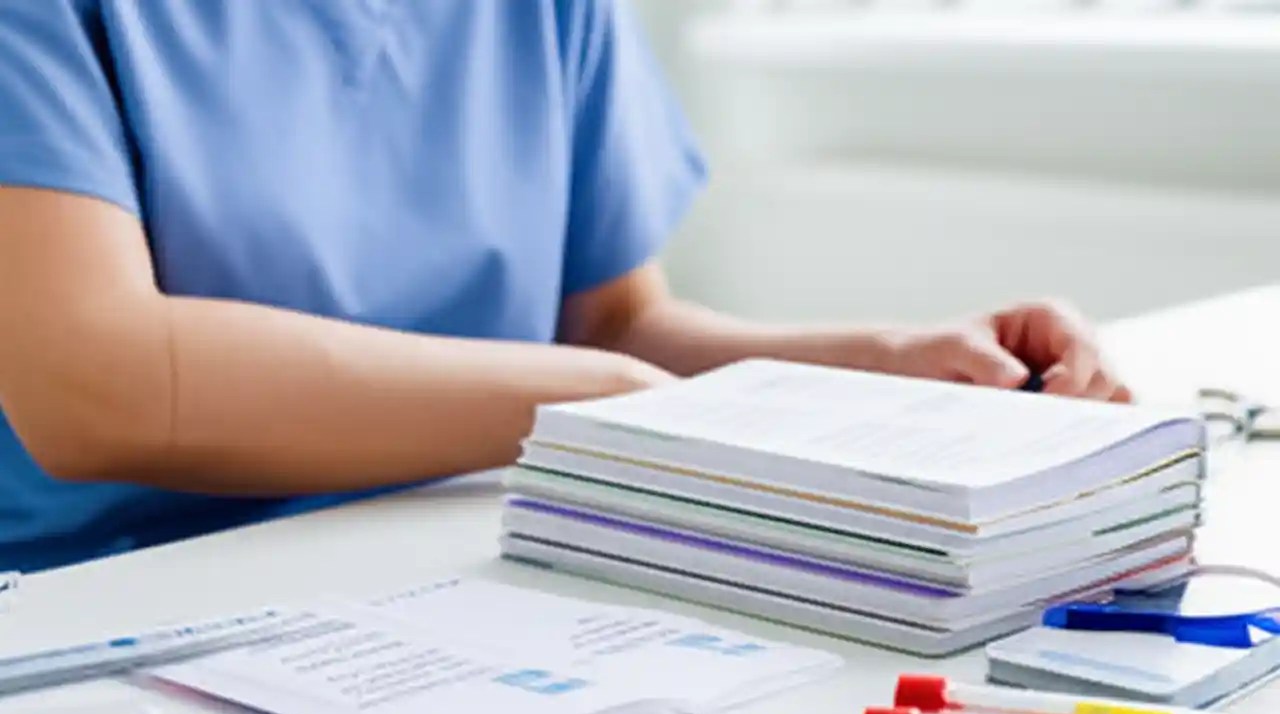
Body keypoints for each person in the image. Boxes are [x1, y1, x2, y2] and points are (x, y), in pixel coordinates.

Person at [0, 0, 1128, 573]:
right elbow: (99, 389)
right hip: (98, 601)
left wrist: (889, 365)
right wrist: (606, 392)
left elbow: (614, 320)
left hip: (447, 564)